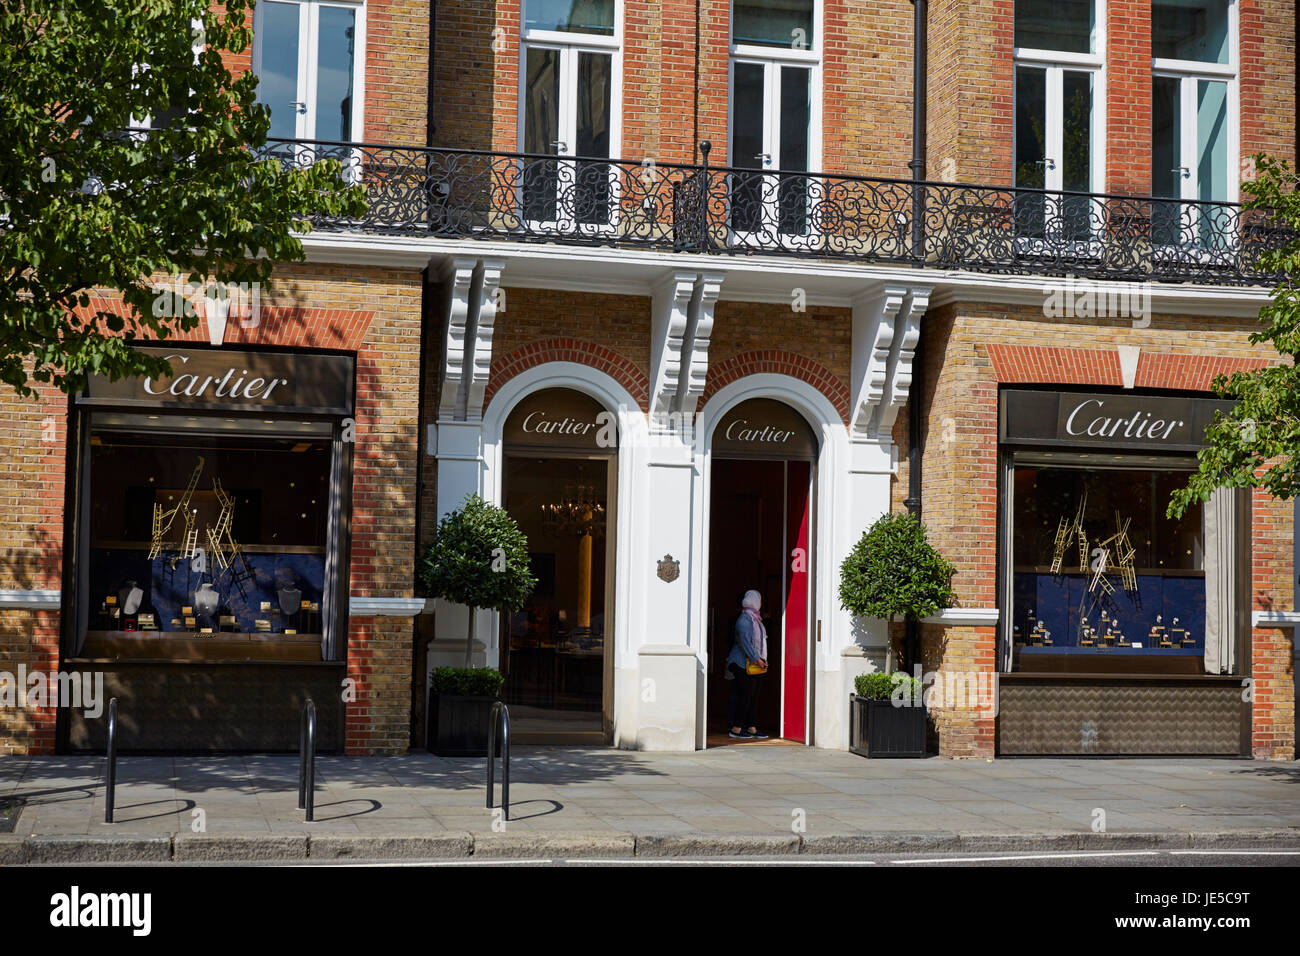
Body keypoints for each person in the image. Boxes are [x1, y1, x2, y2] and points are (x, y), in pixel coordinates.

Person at [724, 589, 769, 739]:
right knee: (745, 696)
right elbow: (745, 643)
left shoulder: (756, 619)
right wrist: (757, 659)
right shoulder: (745, 619)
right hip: (741, 663)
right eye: (760, 600)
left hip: (754, 663)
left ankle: (752, 728)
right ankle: (736, 729)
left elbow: (760, 642)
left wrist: (762, 659)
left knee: (753, 697)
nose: (761, 603)